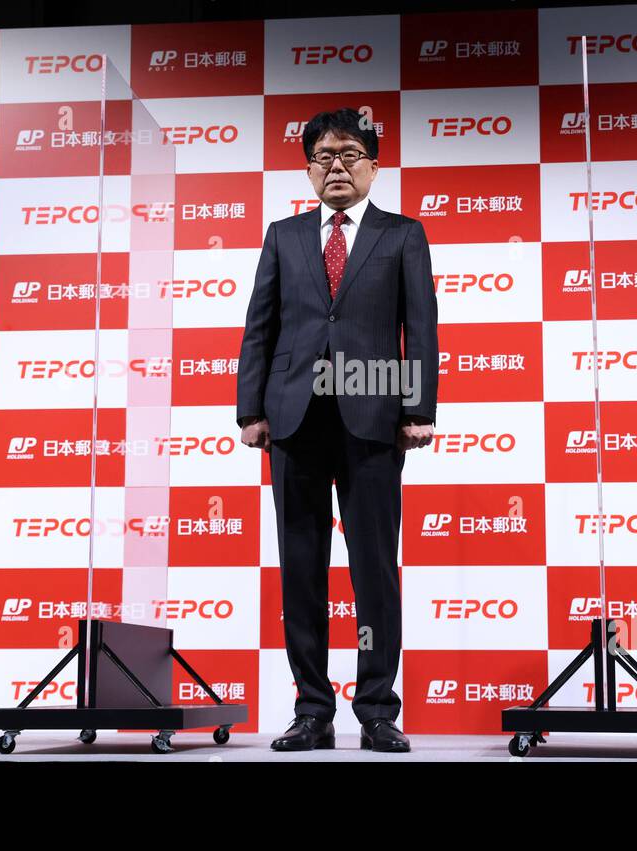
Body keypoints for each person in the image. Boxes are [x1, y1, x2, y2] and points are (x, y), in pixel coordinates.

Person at [237, 108, 438, 752]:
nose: (337, 167)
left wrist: (418, 407)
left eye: (350, 154)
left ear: (374, 166)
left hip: (374, 418)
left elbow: (421, 330)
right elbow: (259, 327)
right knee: (302, 567)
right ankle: (312, 708)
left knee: (374, 567)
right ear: (307, 169)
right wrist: (250, 410)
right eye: (324, 156)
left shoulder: (403, 235)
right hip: (294, 418)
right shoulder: (284, 234)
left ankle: (377, 707)